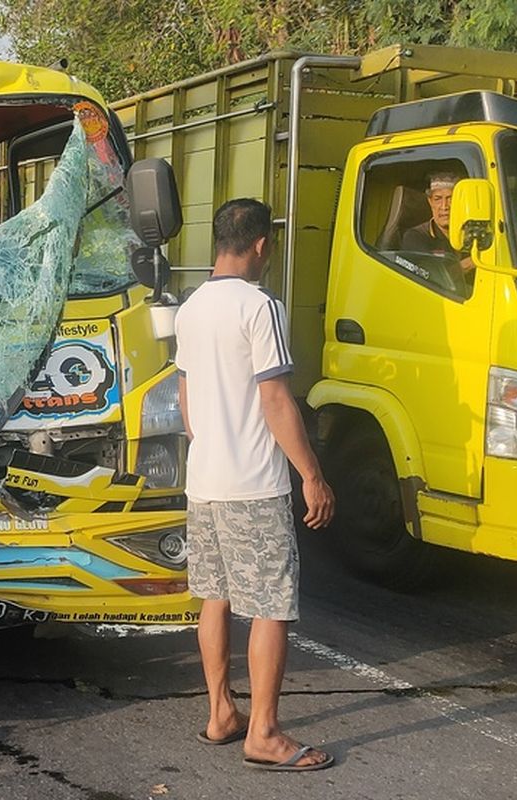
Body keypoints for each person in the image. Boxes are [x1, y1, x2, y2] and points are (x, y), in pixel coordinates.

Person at [174, 198, 336, 772]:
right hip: (252, 483)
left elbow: (187, 403)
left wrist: (210, 444)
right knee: (271, 605)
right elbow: (274, 398)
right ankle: (263, 734)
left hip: (205, 481)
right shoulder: (261, 307)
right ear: (261, 245)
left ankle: (221, 713)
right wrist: (311, 475)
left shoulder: (189, 308)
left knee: (214, 596)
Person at [401, 170, 474, 274]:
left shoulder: (473, 235)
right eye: (438, 199)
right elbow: (431, 277)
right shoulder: (415, 236)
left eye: (450, 199)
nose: (444, 207)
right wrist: (471, 262)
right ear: (430, 202)